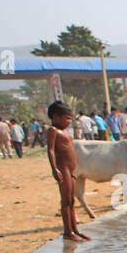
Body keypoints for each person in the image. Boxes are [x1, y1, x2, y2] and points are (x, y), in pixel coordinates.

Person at [46, 102, 88, 243]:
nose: (68, 121)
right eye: (66, 118)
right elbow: (51, 150)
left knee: (71, 200)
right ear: (55, 117)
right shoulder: (53, 131)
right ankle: (68, 232)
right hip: (62, 168)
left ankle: (74, 229)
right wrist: (54, 169)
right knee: (65, 201)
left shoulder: (64, 132)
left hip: (71, 170)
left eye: (70, 118)